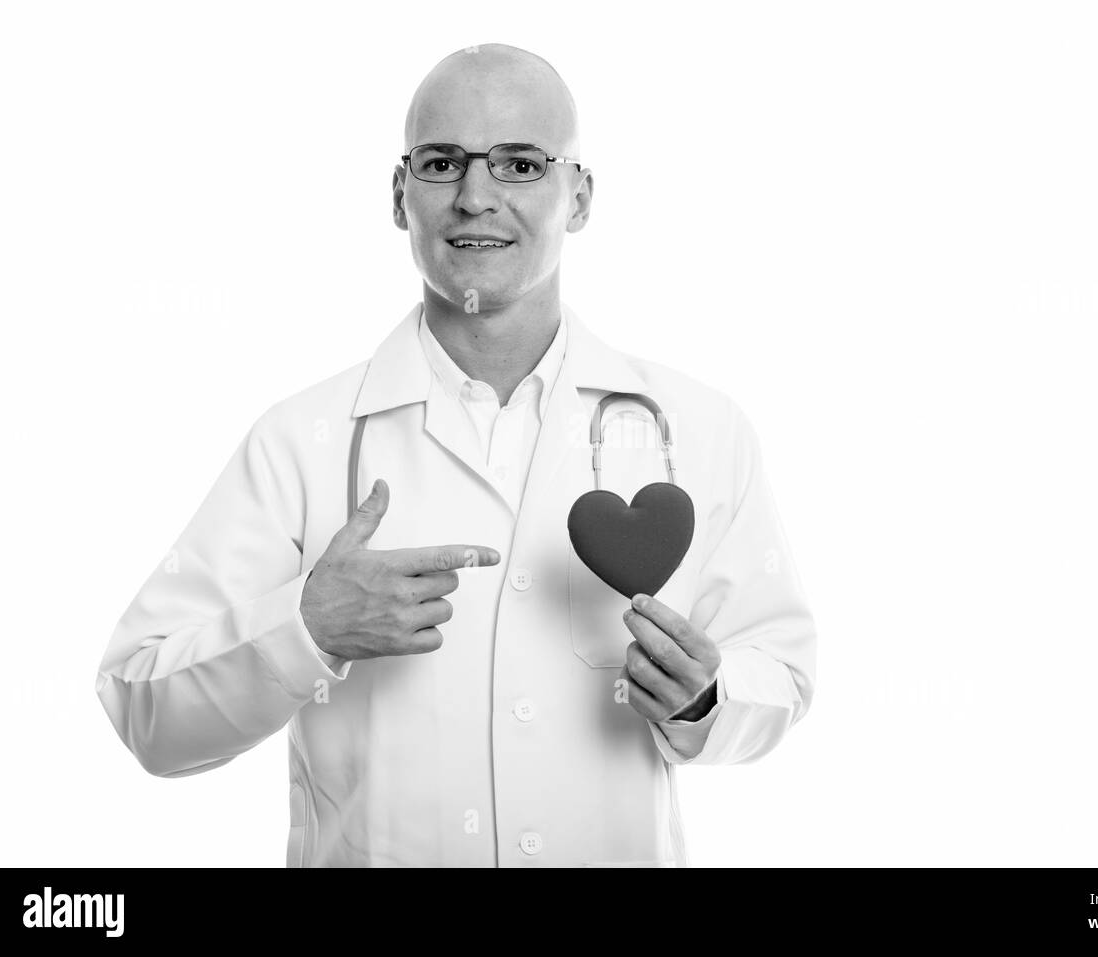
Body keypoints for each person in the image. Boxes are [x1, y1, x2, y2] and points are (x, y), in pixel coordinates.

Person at [95, 43, 817, 867]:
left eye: (519, 163)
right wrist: (305, 627)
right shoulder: (301, 440)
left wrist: (706, 699)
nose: (476, 197)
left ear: (578, 195)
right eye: (442, 163)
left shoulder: (699, 428)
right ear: (400, 198)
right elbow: (139, 704)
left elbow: (784, 670)